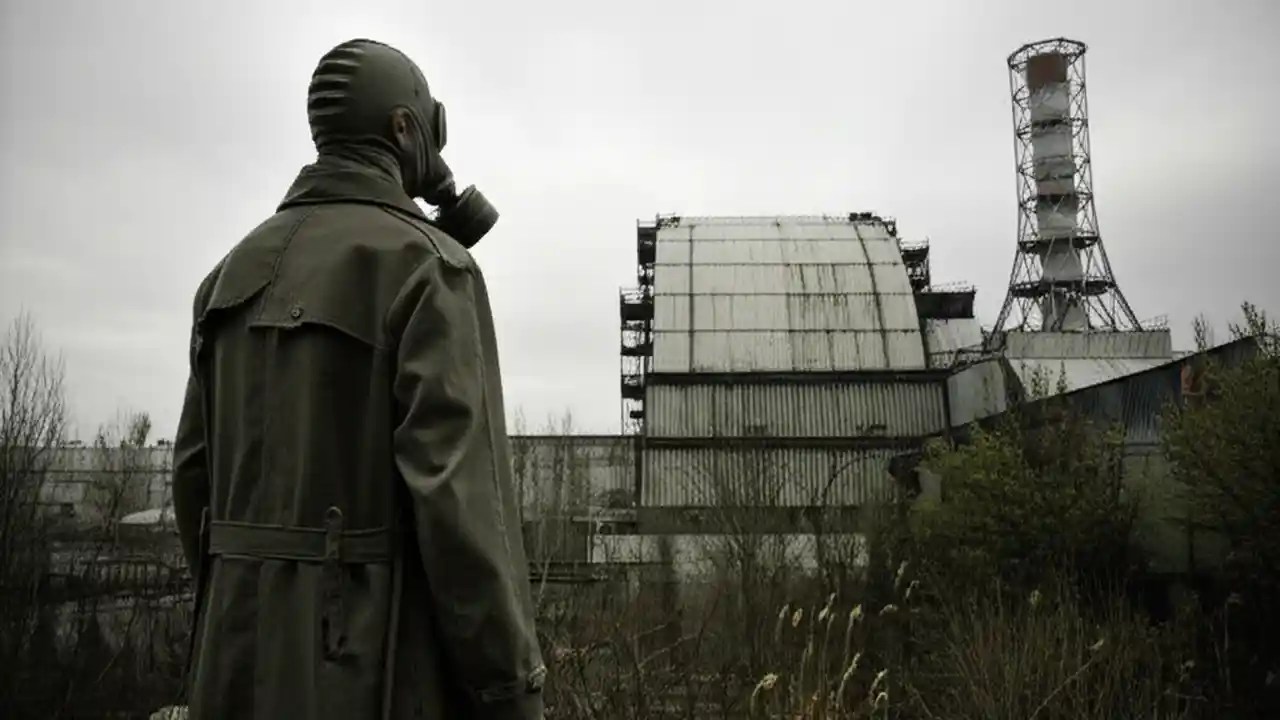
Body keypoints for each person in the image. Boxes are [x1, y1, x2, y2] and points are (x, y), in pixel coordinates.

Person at [171, 38, 545, 719]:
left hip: (227, 671)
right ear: (404, 129)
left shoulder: (228, 276)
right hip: (373, 677)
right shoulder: (431, 270)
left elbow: (193, 481)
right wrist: (511, 692)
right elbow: (463, 520)